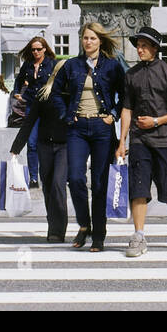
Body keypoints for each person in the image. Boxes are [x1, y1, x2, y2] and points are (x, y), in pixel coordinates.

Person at [116, 27, 167, 258]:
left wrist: (158, 120)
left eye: (145, 45)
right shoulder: (131, 75)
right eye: (138, 45)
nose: (140, 49)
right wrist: (122, 141)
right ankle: (138, 235)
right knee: (138, 187)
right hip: (139, 139)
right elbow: (126, 108)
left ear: (155, 48)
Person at [57, 20, 126, 252]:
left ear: (100, 41)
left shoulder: (112, 66)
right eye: (85, 38)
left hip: (101, 128)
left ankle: (99, 234)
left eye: (93, 38)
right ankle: (84, 224)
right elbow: (56, 93)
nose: (88, 42)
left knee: (99, 183)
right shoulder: (71, 65)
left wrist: (113, 115)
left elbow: (125, 96)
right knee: (75, 178)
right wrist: (67, 115)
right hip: (77, 126)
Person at [10, 59, 71, 242]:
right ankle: (53, 224)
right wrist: (16, 148)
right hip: (45, 146)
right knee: (48, 187)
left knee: (59, 185)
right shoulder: (43, 94)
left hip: (65, 146)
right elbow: (29, 122)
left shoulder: (74, 94)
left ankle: (58, 229)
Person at [12, 37, 56, 187]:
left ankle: (51, 174)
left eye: (38, 49)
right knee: (31, 143)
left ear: (45, 49)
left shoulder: (51, 63)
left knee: (50, 141)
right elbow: (18, 80)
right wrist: (17, 92)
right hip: (32, 105)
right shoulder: (28, 64)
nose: (36, 52)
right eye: (33, 49)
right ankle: (33, 178)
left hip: (49, 106)